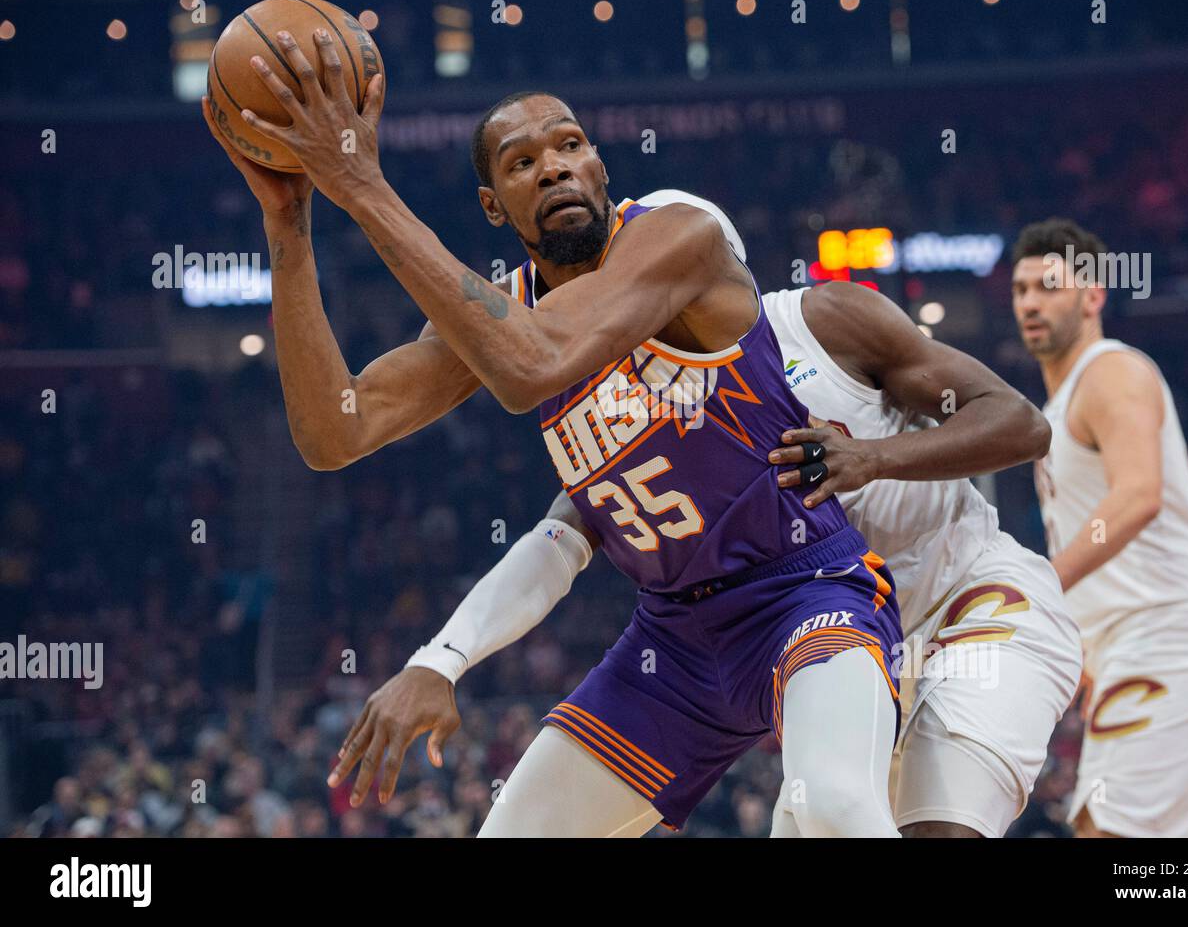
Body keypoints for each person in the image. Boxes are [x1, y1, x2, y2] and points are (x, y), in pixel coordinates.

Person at [204, 42, 903, 836]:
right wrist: (289, 224)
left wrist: (361, 186)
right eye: (521, 160)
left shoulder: (682, 237)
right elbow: (335, 429)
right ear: (493, 205)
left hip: (804, 594)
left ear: (601, 166)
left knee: (835, 810)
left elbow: (532, 369)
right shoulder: (497, 317)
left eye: (570, 144)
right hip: (673, 641)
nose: (553, 167)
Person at [356, 192, 1079, 838]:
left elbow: (1021, 424)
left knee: (927, 825)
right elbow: (560, 533)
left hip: (966, 603)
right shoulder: (641, 394)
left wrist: (873, 457)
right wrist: (441, 658)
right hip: (848, 656)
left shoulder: (823, 319)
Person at [1011, 216, 1188, 837]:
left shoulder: (1111, 371)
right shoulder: (1053, 408)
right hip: (1135, 643)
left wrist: (1044, 580)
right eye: (1021, 289)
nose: (1031, 302)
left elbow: (1138, 495)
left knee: (1109, 837)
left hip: (1170, 634)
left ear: (1093, 296)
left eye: (1050, 285)